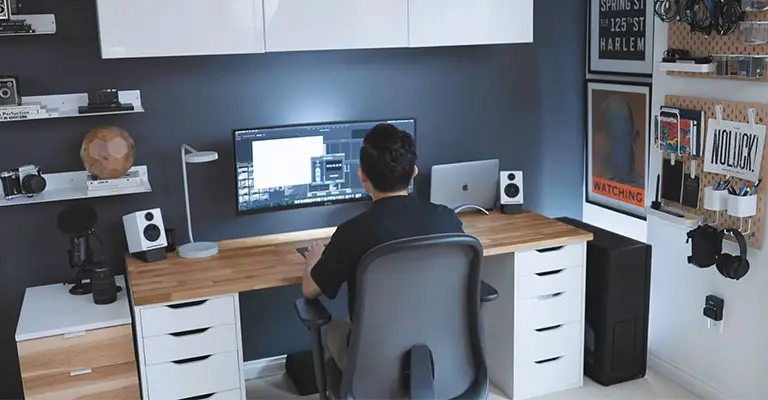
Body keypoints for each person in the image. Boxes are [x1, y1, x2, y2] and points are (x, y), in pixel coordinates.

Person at [301, 123, 464, 370]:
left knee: (335, 329)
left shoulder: (352, 232)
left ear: (362, 176)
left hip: (375, 365)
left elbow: (310, 291)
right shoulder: (447, 219)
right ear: (414, 173)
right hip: (440, 355)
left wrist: (313, 258)